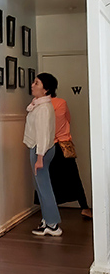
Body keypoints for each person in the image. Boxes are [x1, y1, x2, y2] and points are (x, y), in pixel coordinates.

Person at [40, 73, 92, 220]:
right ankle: (84, 207)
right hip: (62, 144)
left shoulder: (38, 104)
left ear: (46, 88)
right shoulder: (61, 103)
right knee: (74, 177)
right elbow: (66, 120)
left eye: (37, 83)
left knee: (48, 180)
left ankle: (49, 214)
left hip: (47, 146)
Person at [24, 73, 62, 237]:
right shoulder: (39, 105)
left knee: (44, 186)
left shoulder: (44, 109)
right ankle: (47, 220)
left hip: (41, 150)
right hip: (39, 149)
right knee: (40, 186)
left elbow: (43, 136)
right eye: (34, 82)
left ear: (46, 89)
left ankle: (53, 225)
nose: (32, 85)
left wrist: (39, 158)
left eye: (36, 83)